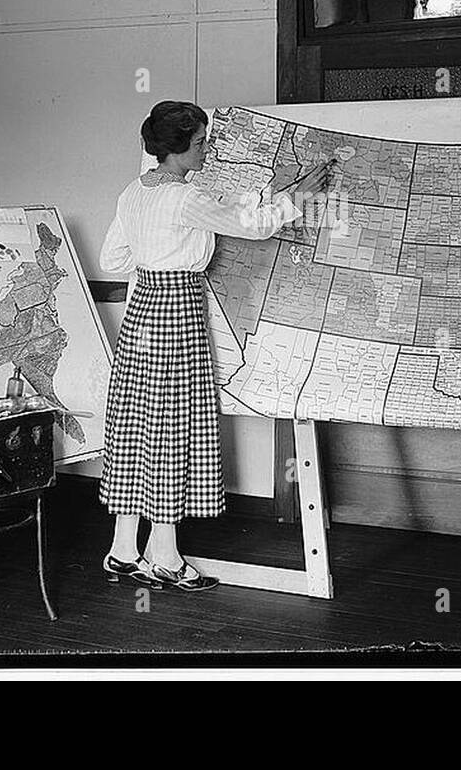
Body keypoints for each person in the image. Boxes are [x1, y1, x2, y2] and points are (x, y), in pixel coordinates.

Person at [97, 100, 330, 592]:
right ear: (178, 150)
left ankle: (122, 550)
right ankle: (164, 556)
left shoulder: (132, 193)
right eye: (202, 143)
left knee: (138, 425)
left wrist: (154, 256)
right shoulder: (184, 198)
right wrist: (297, 197)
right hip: (175, 309)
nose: (209, 149)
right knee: (173, 429)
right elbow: (254, 226)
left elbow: (112, 256)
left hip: (141, 307)